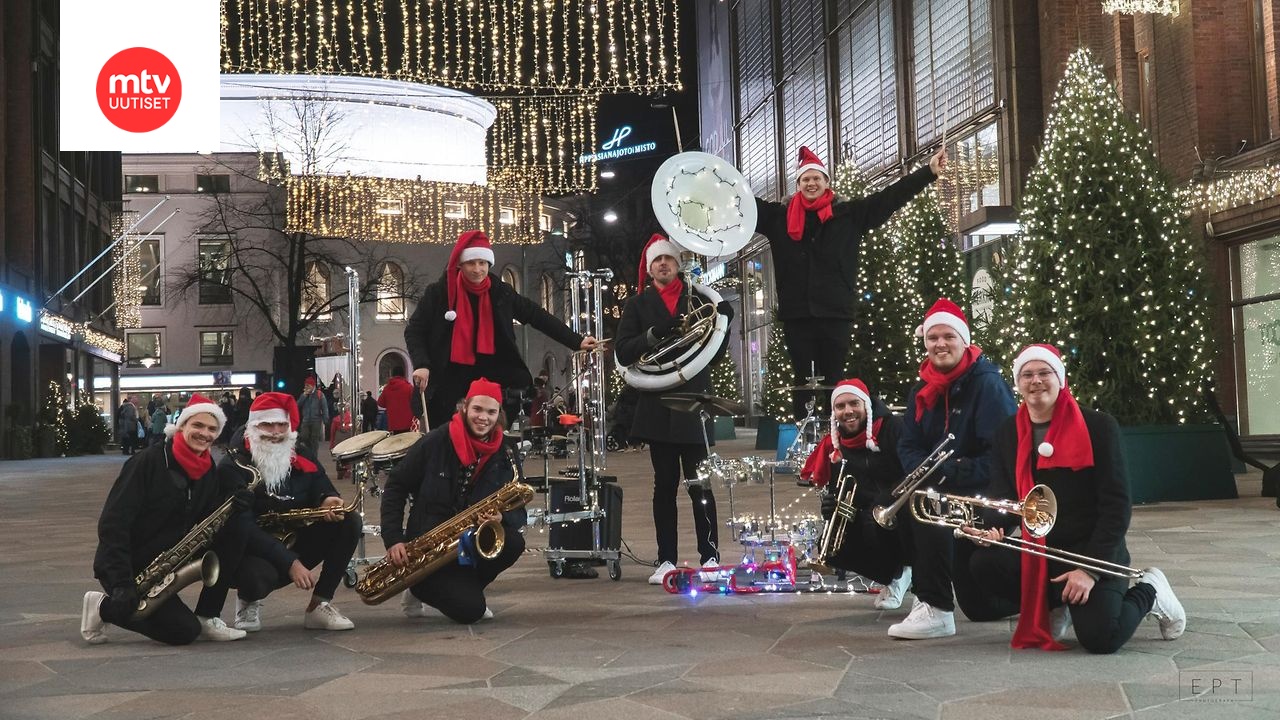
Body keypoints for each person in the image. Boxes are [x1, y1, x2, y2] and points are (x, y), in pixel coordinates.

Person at [960, 344, 1186, 653]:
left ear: (1061, 378)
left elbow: (1116, 507)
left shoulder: (1099, 427)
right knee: (984, 563)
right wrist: (992, 527)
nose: (1035, 380)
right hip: (1042, 550)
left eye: (1044, 373)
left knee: (1101, 638)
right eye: (1027, 374)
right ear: (1018, 382)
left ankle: (1151, 590)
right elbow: (1005, 495)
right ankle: (1056, 603)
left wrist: (1090, 570)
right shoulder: (1007, 432)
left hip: (1091, 551)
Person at [754, 146, 946, 419]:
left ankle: (839, 438)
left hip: (835, 313)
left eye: (816, 178)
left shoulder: (848, 214)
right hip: (797, 315)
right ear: (797, 185)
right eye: (805, 179)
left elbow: (889, 198)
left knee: (835, 382)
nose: (811, 183)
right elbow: (743, 204)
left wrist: (927, 173)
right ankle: (806, 441)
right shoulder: (778, 217)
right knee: (801, 385)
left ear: (826, 183)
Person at [891, 298, 1016, 639]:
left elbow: (1004, 454)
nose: (940, 344)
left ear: (964, 341)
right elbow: (908, 444)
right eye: (933, 338)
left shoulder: (988, 385)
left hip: (981, 493)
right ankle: (929, 596)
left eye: (948, 336)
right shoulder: (922, 387)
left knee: (926, 505)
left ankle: (937, 608)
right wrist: (925, 470)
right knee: (980, 607)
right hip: (947, 486)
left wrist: (948, 473)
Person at [81, 394, 251, 645]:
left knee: (235, 532)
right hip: (128, 566)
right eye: (198, 425)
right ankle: (102, 607)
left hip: (166, 564)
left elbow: (204, 516)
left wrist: (231, 503)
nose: (205, 433)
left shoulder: (206, 470)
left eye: (212, 429)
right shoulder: (147, 462)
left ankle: (208, 614)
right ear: (181, 426)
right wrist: (122, 582)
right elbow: (113, 524)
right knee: (182, 632)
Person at [614, 235, 733, 585]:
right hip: (656, 404)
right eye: (657, 261)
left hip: (695, 401)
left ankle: (710, 556)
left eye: (668, 259)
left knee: (701, 486)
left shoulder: (698, 298)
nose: (663, 265)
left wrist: (724, 325)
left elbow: (716, 350)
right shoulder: (637, 305)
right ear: (650, 268)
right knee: (663, 485)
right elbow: (623, 352)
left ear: (677, 264)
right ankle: (666, 559)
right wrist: (655, 334)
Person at [404, 230, 597, 429]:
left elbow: (537, 316)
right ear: (460, 265)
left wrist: (576, 341)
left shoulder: (501, 292)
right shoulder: (439, 293)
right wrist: (422, 364)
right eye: (471, 263)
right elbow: (415, 330)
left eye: (482, 263)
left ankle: (497, 438)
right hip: (450, 368)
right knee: (443, 424)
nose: (477, 269)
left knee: (519, 384)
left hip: (493, 365)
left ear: (489, 264)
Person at [381, 378, 526, 623]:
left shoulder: (506, 452)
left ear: (498, 414)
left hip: (468, 543)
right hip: (427, 543)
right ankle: (417, 586)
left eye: (491, 412)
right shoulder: (435, 441)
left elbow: (519, 506)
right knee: (471, 612)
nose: (483, 417)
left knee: (512, 542)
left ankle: (466, 589)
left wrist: (503, 517)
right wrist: (394, 539)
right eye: (477, 409)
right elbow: (396, 485)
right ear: (465, 407)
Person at [217, 392, 361, 633]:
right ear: (253, 426)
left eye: (281, 425)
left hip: (295, 537)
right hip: (254, 549)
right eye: (267, 424)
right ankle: (248, 599)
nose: (275, 432)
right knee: (256, 580)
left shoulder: (300, 452)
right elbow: (243, 526)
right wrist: (290, 562)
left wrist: (327, 499)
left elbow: (320, 483)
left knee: (349, 522)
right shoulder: (232, 466)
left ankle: (319, 604)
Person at [801, 379, 913, 609]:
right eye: (840, 407)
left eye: (854, 404)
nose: (848, 411)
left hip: (903, 507)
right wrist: (831, 508)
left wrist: (887, 498)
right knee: (831, 545)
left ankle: (915, 572)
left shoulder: (894, 428)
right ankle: (894, 576)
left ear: (867, 406)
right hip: (868, 511)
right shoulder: (835, 445)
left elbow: (913, 473)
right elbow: (839, 489)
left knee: (877, 525)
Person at [297, 376, 328, 458]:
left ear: (313, 386)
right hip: (306, 420)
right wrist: (304, 396)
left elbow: (324, 407)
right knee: (303, 436)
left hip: (316, 420)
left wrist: (326, 419)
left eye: (308, 385)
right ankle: (309, 451)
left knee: (314, 439)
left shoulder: (319, 394)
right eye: (305, 385)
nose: (306, 387)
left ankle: (314, 457)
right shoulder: (304, 394)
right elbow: (297, 405)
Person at [377, 366, 415, 433]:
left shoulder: (387, 388)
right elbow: (415, 403)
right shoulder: (409, 387)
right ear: (403, 374)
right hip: (407, 423)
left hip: (392, 424)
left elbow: (380, 403)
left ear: (392, 375)